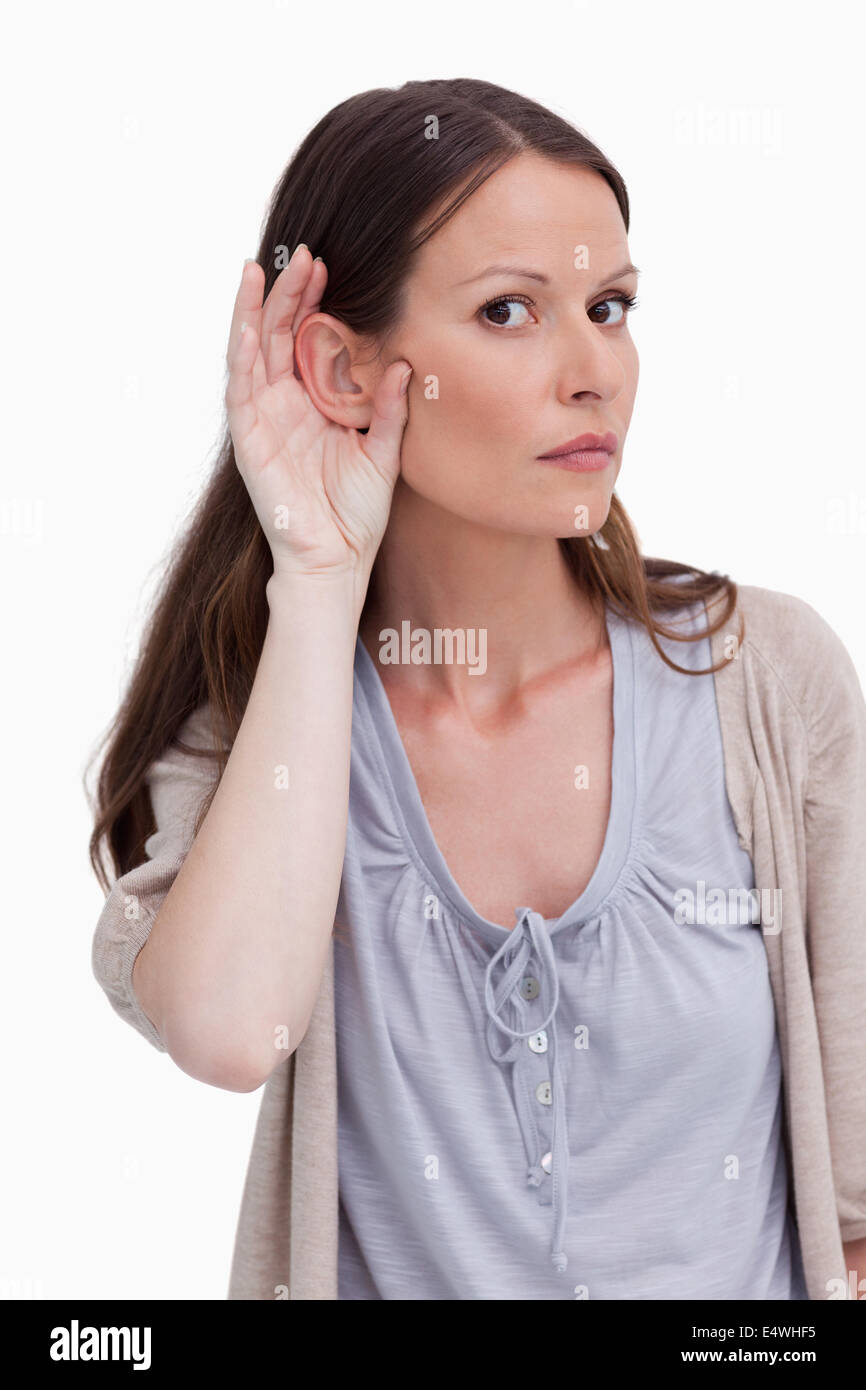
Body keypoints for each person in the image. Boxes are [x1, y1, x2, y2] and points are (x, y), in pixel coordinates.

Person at [88, 78, 866, 1300]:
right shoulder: (254, 735)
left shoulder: (766, 681)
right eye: (510, 310)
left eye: (609, 307)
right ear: (342, 368)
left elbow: (856, 1209)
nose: (592, 370)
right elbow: (232, 1032)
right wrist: (314, 579)